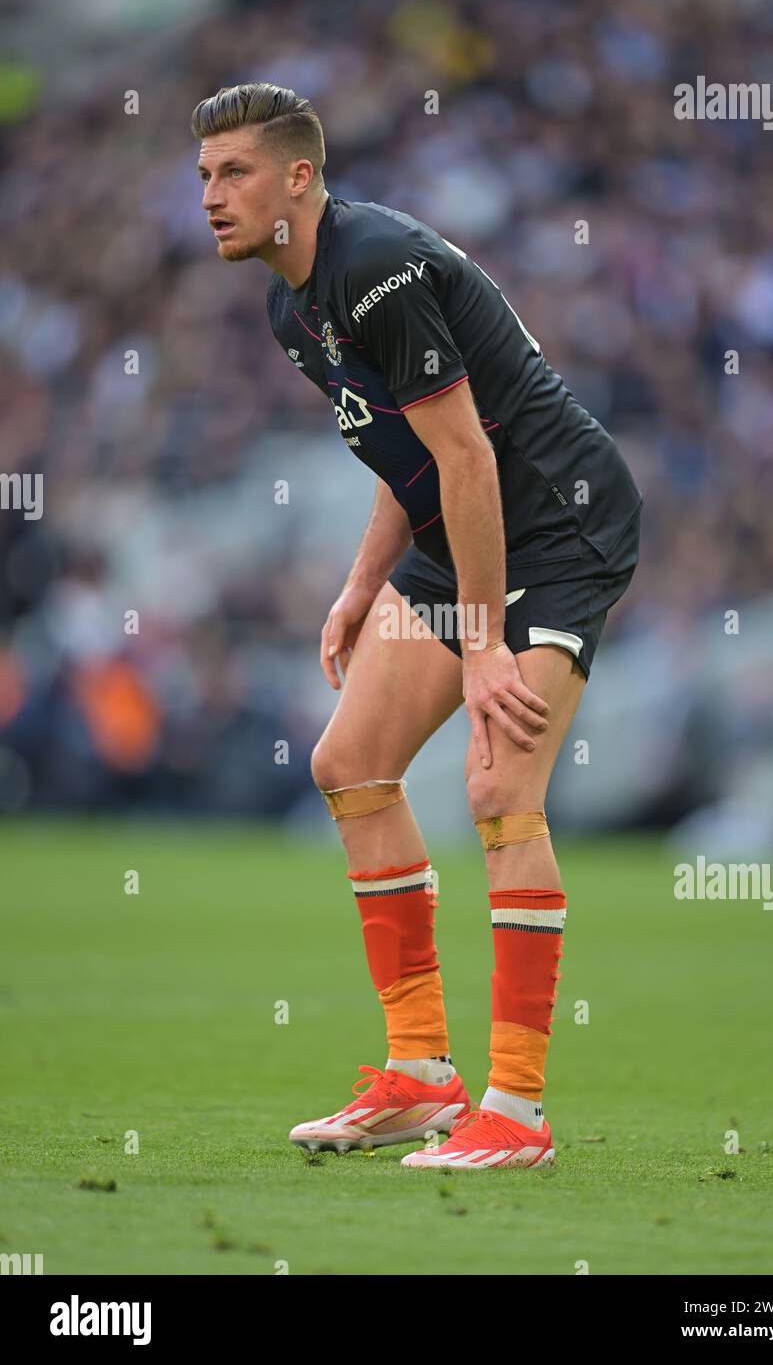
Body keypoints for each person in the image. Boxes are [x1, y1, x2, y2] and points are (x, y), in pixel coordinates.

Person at [191, 82, 642, 1170]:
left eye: (234, 171)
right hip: (463, 527)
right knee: (350, 762)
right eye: (203, 175)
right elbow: (410, 460)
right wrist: (359, 586)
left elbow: (473, 455)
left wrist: (482, 642)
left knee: (497, 787)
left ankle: (518, 1113)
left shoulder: (372, 268)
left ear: (300, 177)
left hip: (559, 524)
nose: (211, 195)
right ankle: (420, 1076)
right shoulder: (291, 305)